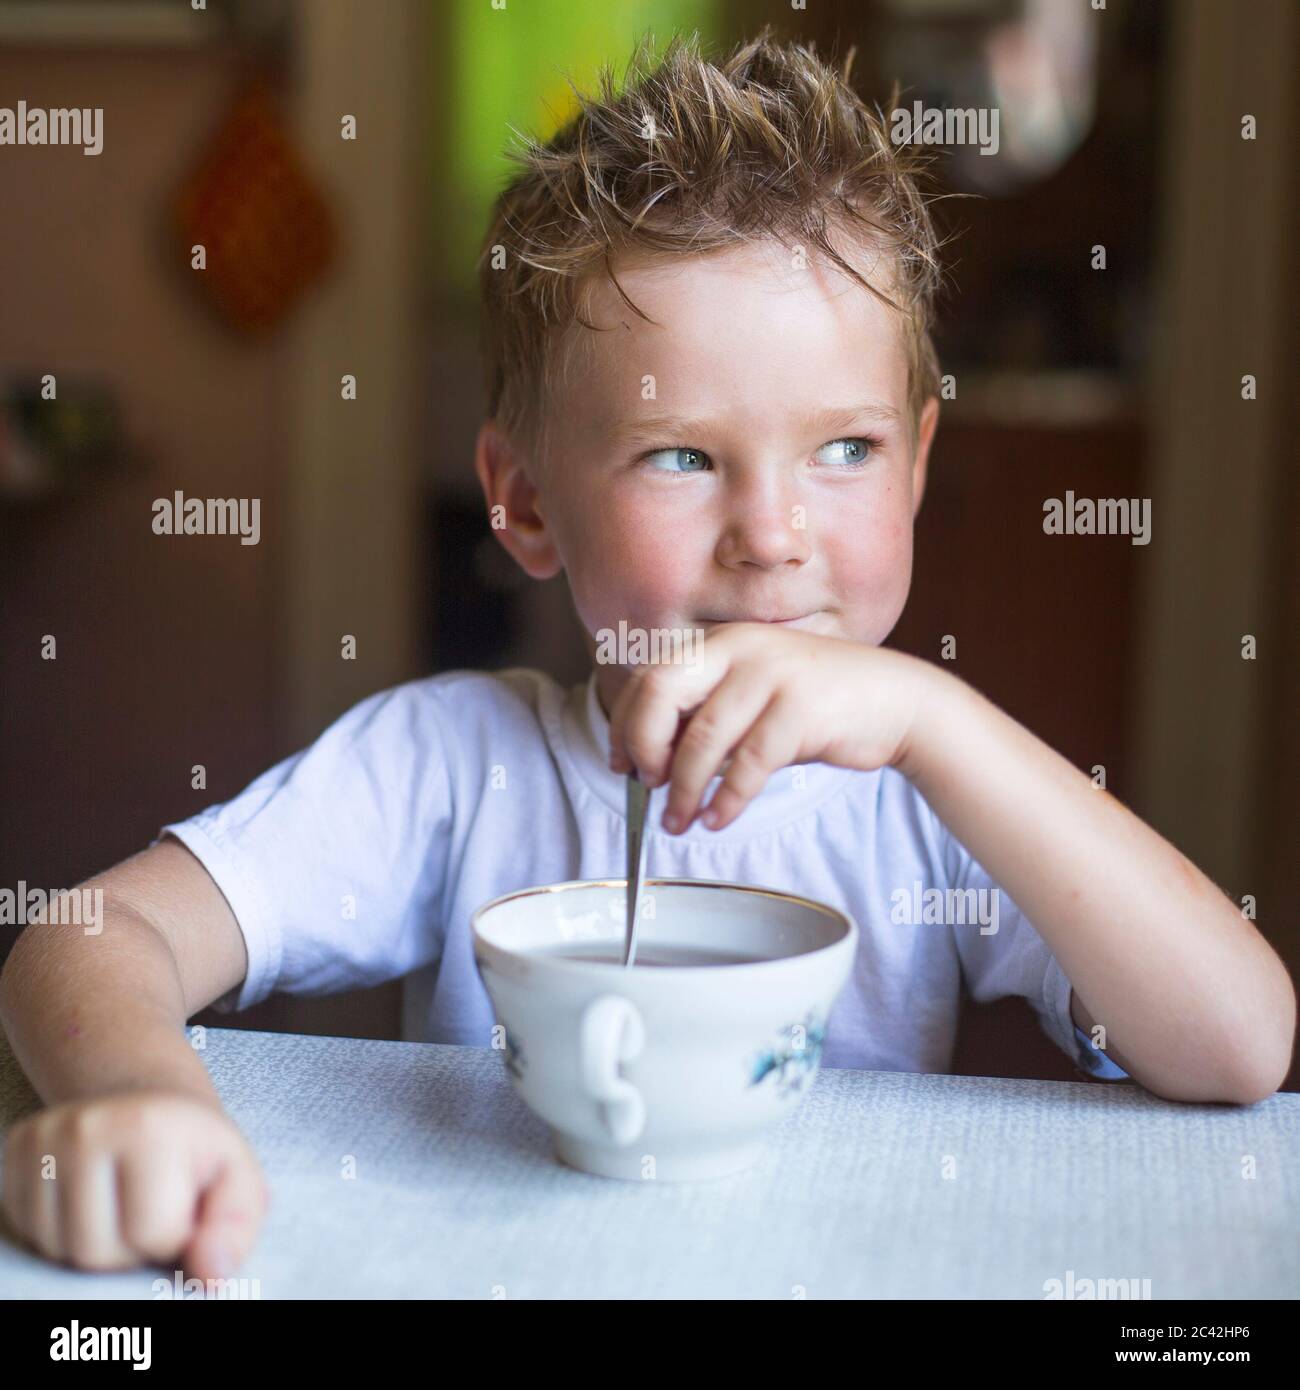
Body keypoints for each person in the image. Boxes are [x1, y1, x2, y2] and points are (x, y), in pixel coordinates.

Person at [1, 27, 1293, 1285]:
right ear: (524, 505)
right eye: (682, 454)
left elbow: (1242, 1045)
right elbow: (88, 931)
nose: (775, 536)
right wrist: (135, 1096)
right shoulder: (449, 767)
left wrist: (940, 721)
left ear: (918, 468)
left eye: (846, 448)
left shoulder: (935, 793)